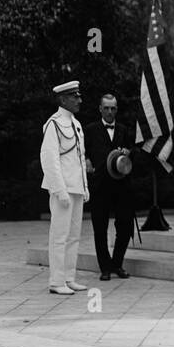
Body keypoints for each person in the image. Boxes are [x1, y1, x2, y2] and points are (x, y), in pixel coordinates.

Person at [40, 79, 89, 296]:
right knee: (59, 236)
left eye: (78, 95)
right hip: (63, 189)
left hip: (76, 187)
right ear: (62, 99)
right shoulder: (54, 124)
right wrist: (59, 190)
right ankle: (56, 281)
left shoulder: (76, 124)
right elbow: (49, 160)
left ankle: (69, 277)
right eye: (74, 96)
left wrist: (85, 187)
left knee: (74, 236)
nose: (79, 99)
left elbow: (80, 159)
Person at [84, 93, 135, 281]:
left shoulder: (123, 129)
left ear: (117, 110)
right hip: (100, 186)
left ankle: (117, 264)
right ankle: (105, 267)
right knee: (100, 227)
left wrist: (129, 152)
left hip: (122, 186)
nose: (110, 111)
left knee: (125, 226)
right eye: (106, 108)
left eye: (113, 108)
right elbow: (83, 152)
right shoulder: (90, 130)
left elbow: (133, 152)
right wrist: (87, 161)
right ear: (100, 109)